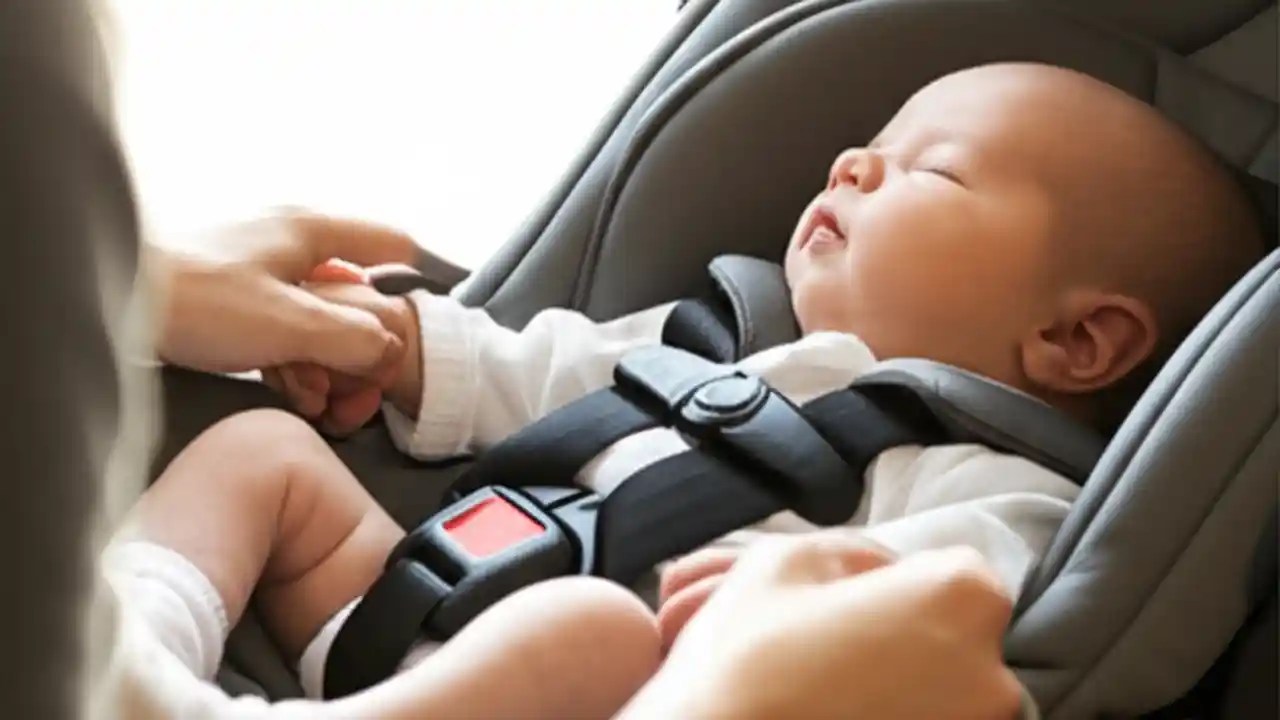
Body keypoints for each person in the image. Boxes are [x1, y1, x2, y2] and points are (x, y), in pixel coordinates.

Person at [101, 60, 1265, 717]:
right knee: (260, 455)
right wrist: (397, 345)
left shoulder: (995, 486)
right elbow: (546, 369)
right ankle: (130, 637)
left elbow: (928, 616)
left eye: (931, 170)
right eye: (866, 142)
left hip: (621, 681)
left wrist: (778, 599)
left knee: (591, 626)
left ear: (1074, 340)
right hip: (398, 596)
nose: (851, 163)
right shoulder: (718, 338)